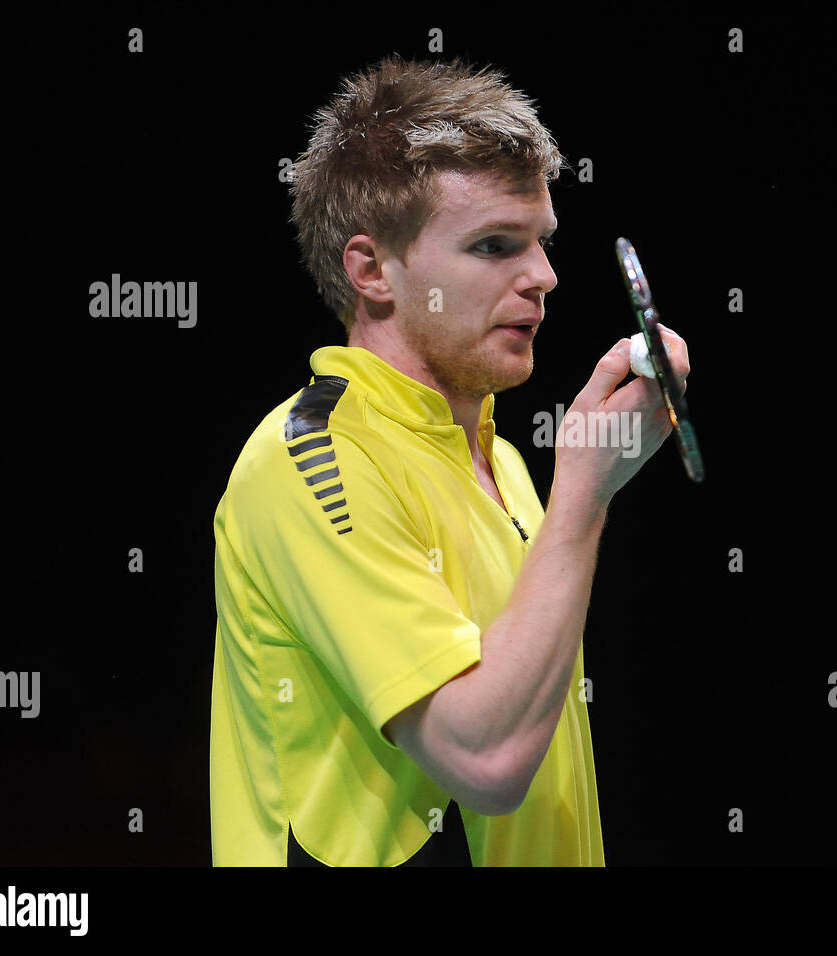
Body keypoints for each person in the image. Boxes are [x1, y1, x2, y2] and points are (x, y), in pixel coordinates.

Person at [209, 55, 690, 866]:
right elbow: (486, 760)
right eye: (495, 245)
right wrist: (584, 489)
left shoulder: (501, 461)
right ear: (372, 271)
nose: (543, 276)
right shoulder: (308, 462)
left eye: (541, 242)